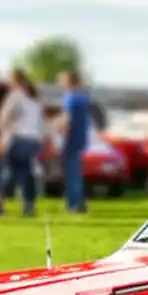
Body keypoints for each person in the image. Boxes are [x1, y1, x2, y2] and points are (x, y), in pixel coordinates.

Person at [0, 69, 44, 217]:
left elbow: (3, 118)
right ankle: (28, 204)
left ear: (14, 81)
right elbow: (41, 122)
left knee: (9, 171)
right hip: (33, 139)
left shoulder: (15, 96)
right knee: (27, 172)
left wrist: (2, 137)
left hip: (18, 138)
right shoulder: (34, 99)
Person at [58, 69, 91, 213]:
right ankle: (79, 201)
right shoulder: (84, 97)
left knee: (71, 173)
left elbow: (67, 118)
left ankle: (74, 203)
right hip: (81, 137)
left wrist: (61, 134)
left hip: (71, 138)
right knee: (76, 172)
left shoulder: (70, 98)